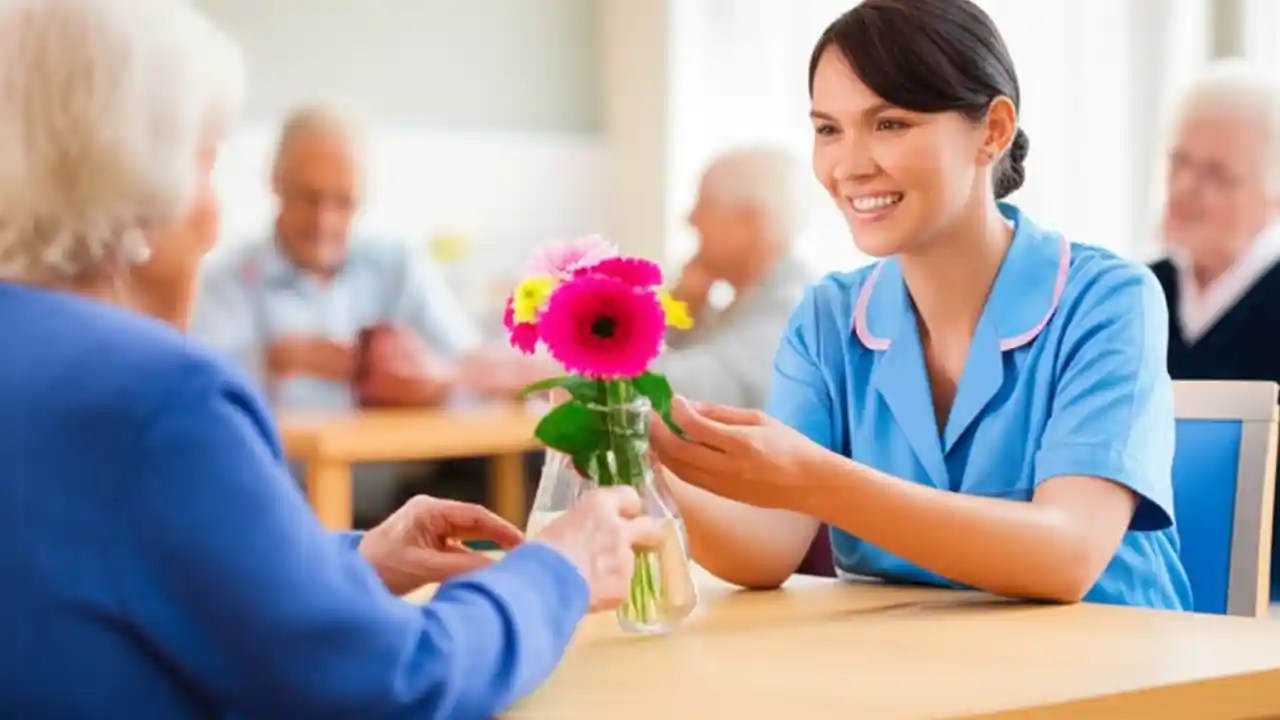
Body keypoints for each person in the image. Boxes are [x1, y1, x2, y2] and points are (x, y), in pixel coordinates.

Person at [0, 1, 658, 718]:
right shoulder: (160, 396)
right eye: (207, 161)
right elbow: (395, 682)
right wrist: (557, 570)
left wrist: (347, 564)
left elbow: (131, 562)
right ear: (153, 185)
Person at [650, 0, 1193, 610]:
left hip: (1110, 674)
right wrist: (639, 452)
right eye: (828, 129)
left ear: (992, 131)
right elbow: (769, 546)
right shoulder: (828, 319)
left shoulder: (1107, 299)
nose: (849, 165)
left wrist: (817, 480)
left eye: (890, 124)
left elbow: (1066, 556)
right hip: (916, 676)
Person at [464, 146, 813, 410]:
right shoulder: (739, 303)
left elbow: (673, 386)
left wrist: (537, 373)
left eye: (704, 204)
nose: (690, 219)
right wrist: (679, 312)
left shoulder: (793, 309)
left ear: (748, 221)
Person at [192, 105, 478, 412]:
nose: (323, 221)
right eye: (309, 198)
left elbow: (468, 365)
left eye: (344, 202)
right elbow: (201, 392)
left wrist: (433, 379)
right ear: (275, 181)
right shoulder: (227, 279)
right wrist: (274, 363)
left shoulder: (399, 265)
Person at [1148, 59, 1280, 598]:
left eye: (1218, 175)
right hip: (1151, 585)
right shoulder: (1137, 291)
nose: (1185, 189)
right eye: (1180, 163)